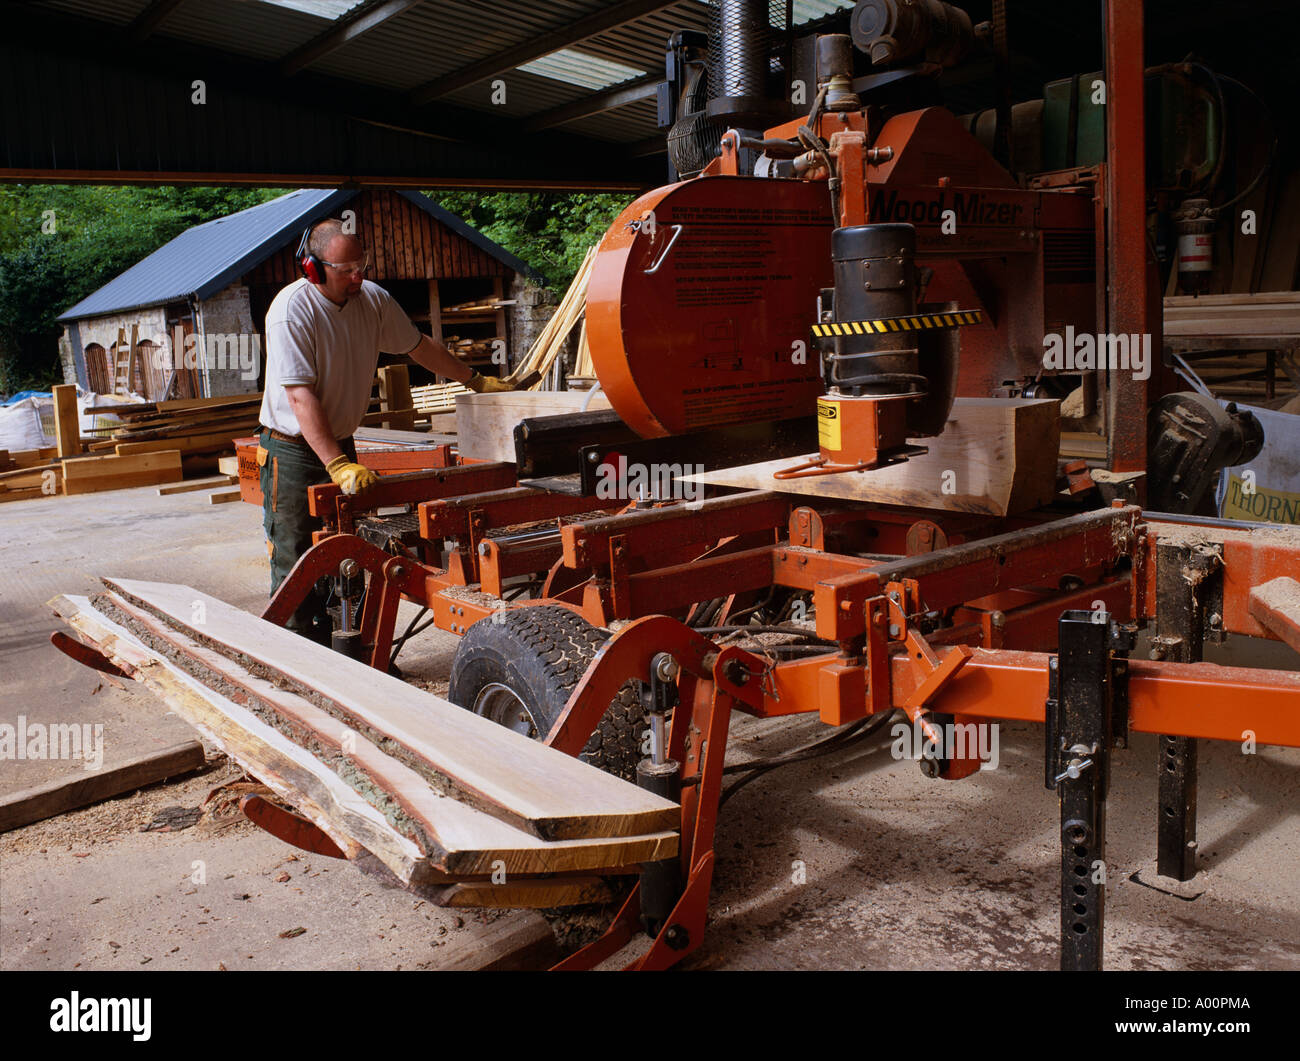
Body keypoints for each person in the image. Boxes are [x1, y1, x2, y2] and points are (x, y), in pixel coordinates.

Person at [257, 217, 512, 642]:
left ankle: (347, 652)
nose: (359, 277)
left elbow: (419, 347)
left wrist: (474, 380)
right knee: (295, 557)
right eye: (347, 271)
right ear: (314, 269)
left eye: (363, 267)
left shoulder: (372, 299)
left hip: (339, 445)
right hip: (294, 449)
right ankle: (296, 657)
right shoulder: (291, 311)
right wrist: (337, 463)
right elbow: (301, 398)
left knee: (345, 553)